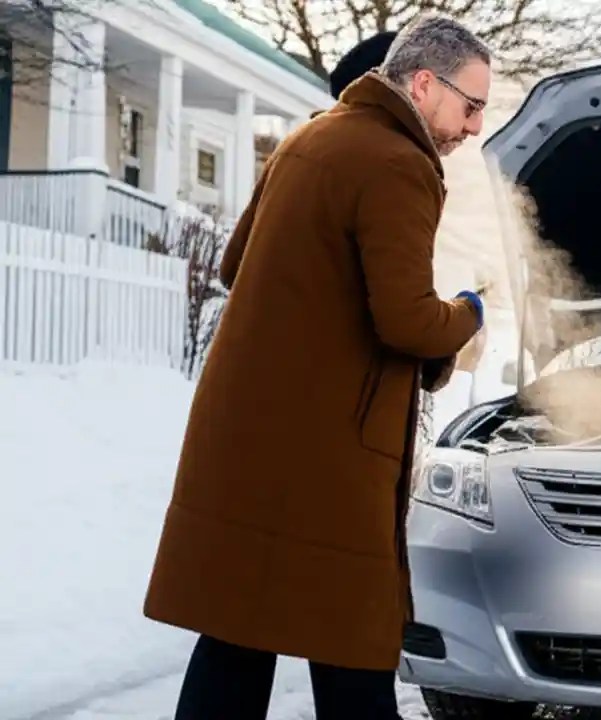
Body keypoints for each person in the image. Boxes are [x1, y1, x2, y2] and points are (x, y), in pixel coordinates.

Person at [143, 14, 493, 719]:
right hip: (328, 461)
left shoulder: (311, 136)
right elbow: (406, 320)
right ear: (424, 85)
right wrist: (469, 313)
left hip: (251, 444)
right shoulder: (399, 163)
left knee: (238, 639)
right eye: (471, 105)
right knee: (350, 648)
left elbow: (234, 265)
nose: (475, 126)